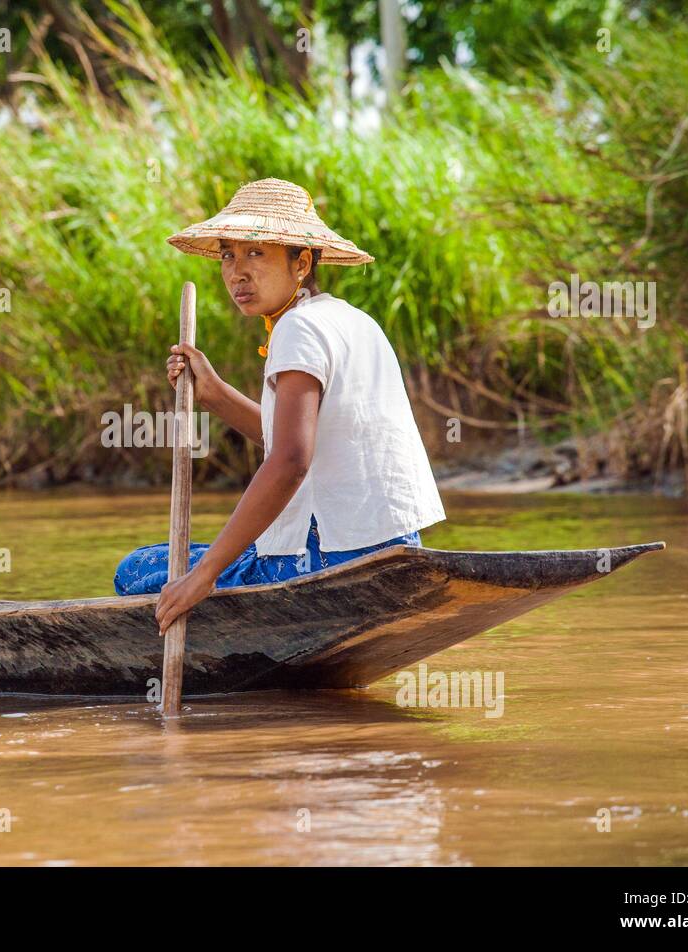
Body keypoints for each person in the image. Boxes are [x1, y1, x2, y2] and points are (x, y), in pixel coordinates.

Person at [113, 178, 446, 634]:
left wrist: (203, 576)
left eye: (256, 253)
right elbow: (298, 438)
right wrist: (213, 392)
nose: (237, 272)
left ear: (302, 261)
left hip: (327, 557)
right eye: (229, 254)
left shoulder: (297, 329)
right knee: (174, 562)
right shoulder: (352, 319)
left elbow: (290, 461)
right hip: (394, 544)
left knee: (137, 570)